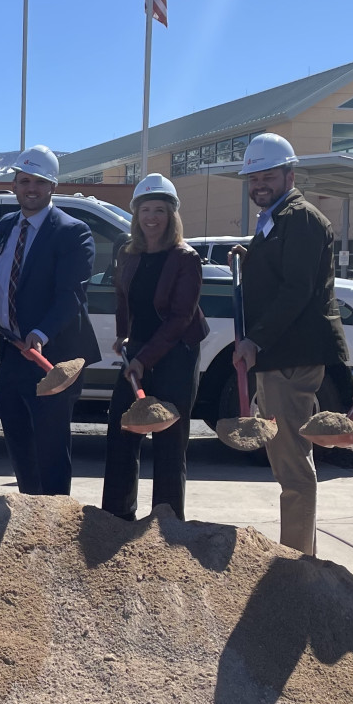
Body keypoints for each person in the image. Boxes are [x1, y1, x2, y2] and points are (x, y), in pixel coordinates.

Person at [230, 133, 349, 556]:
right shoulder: (275, 220)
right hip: (279, 354)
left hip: (291, 355)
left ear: (289, 174)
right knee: (291, 459)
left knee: (292, 464)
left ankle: (296, 565)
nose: (259, 183)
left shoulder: (300, 218)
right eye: (254, 177)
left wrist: (255, 340)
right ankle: (302, 557)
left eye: (268, 176)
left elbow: (297, 289)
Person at [0, 145, 101, 496]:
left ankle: (56, 521)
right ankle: (29, 513)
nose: (31, 188)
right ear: (14, 185)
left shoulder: (72, 232)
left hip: (54, 358)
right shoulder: (5, 225)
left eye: (39, 182)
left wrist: (41, 332)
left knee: (50, 448)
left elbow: (72, 294)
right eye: (24, 180)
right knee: (18, 440)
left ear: (53, 187)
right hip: (13, 352)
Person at [101, 174, 208, 522]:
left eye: (160, 210)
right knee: (123, 429)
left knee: (169, 441)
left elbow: (180, 318)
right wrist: (123, 337)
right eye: (145, 209)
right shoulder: (128, 253)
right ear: (135, 214)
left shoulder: (185, 258)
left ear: (171, 215)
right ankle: (116, 518)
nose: (152, 217)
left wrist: (144, 360)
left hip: (177, 353)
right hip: (140, 349)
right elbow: (122, 299)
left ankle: (167, 522)